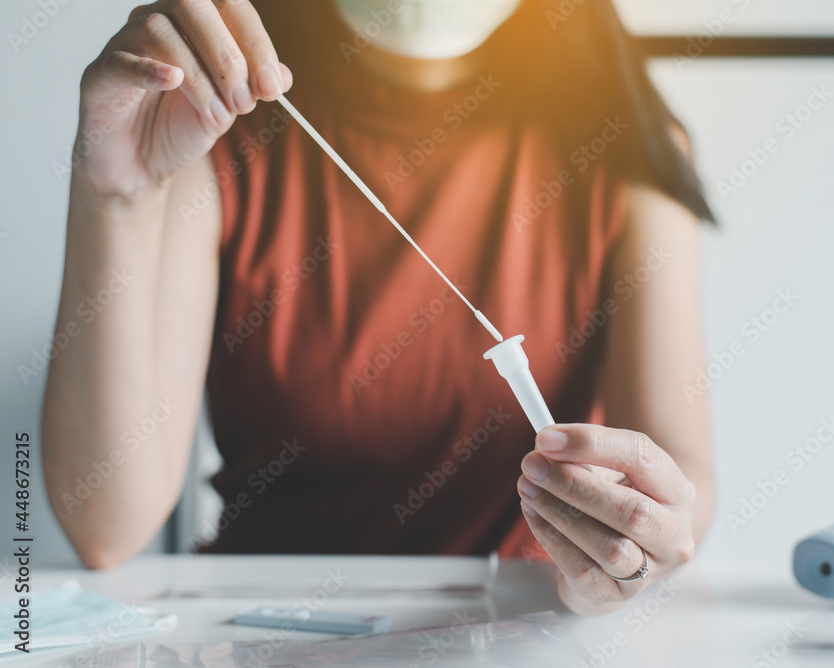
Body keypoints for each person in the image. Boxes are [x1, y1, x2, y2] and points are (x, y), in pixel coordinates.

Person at [42, 0, 715, 615]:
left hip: (523, 622)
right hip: (263, 628)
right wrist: (116, 197)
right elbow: (106, 527)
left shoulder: (618, 151)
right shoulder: (207, 122)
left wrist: (631, 545)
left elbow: (679, 482)